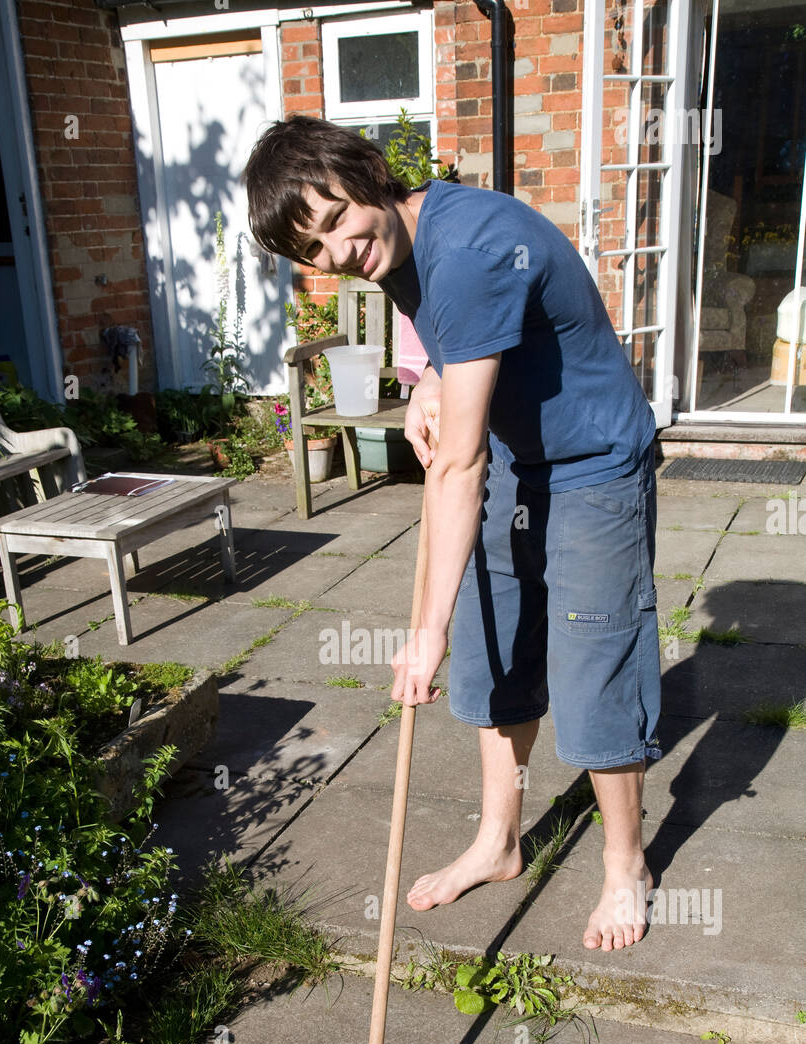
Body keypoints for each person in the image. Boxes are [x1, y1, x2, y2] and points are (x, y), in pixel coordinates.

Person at [243, 114, 661, 952]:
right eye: (312, 252)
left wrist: (421, 634)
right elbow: (476, 339)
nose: (335, 253)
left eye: (334, 223)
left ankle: (626, 865)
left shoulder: (466, 247)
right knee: (494, 652)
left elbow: (457, 468)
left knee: (594, 663)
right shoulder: (405, 240)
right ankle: (498, 841)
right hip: (521, 459)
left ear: (363, 176)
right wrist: (433, 378)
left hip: (593, 465)